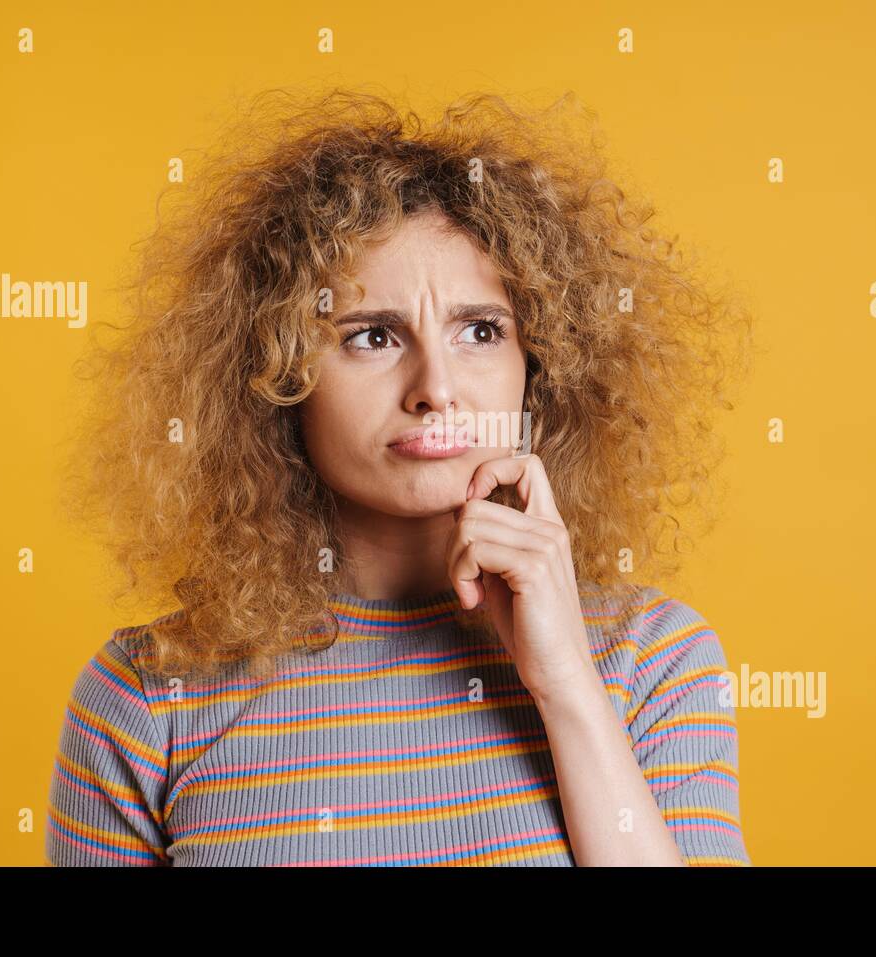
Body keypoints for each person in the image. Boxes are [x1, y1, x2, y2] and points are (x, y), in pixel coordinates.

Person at [47, 86, 753, 866]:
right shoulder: (147, 701)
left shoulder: (653, 662)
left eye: (480, 330)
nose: (435, 388)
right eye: (372, 336)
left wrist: (565, 689)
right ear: (276, 376)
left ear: (539, 366)